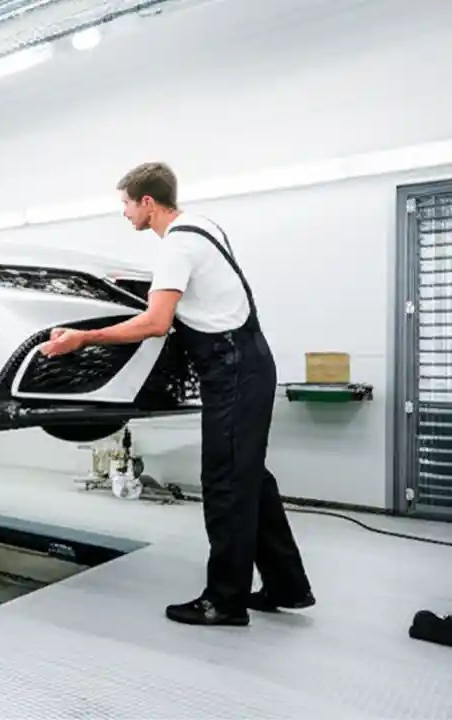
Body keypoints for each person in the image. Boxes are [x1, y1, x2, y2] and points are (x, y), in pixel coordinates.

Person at [39, 162, 314, 626]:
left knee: (226, 482)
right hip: (248, 361)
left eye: (126, 203)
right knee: (250, 478)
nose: (124, 213)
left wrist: (82, 339)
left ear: (148, 202)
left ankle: (224, 601)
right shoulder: (204, 228)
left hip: (232, 368)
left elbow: (155, 322)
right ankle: (287, 585)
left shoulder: (176, 247)